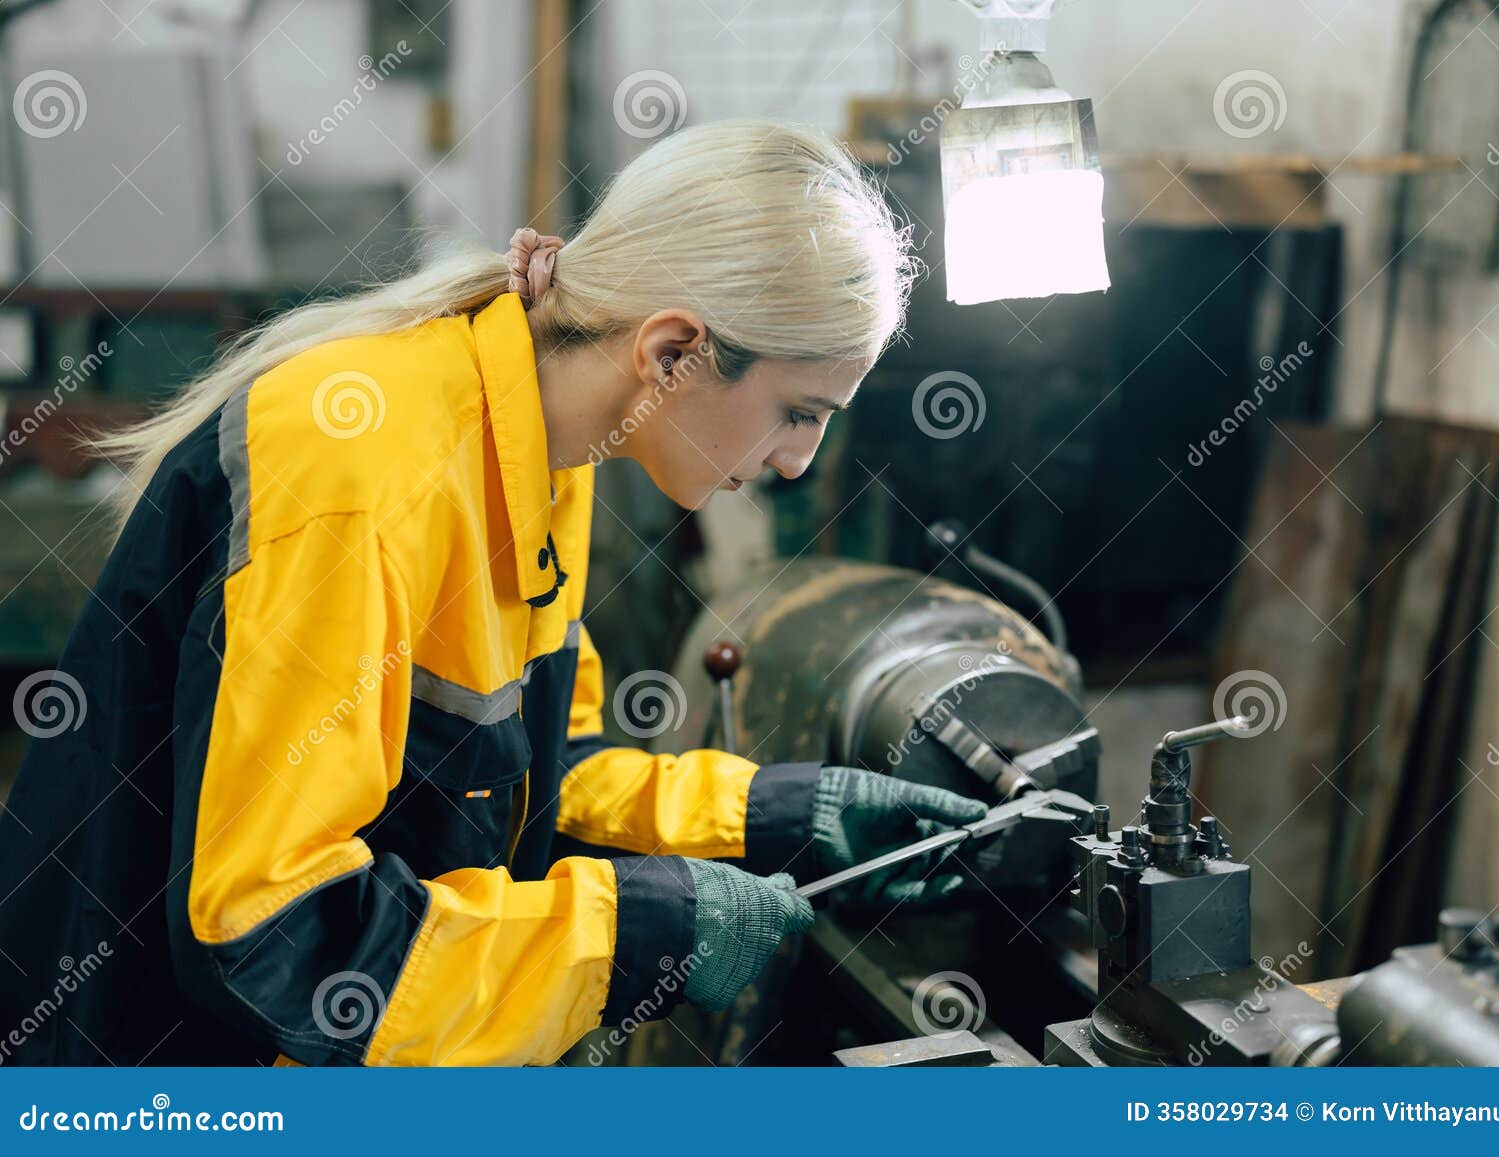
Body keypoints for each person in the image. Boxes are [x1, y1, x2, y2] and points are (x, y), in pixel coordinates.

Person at [0, 120, 988, 1066]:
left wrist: (774, 814)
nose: (796, 460)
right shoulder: (362, 468)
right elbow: (269, 933)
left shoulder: (542, 444)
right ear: (671, 351)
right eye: (800, 411)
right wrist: (631, 932)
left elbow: (543, 775)